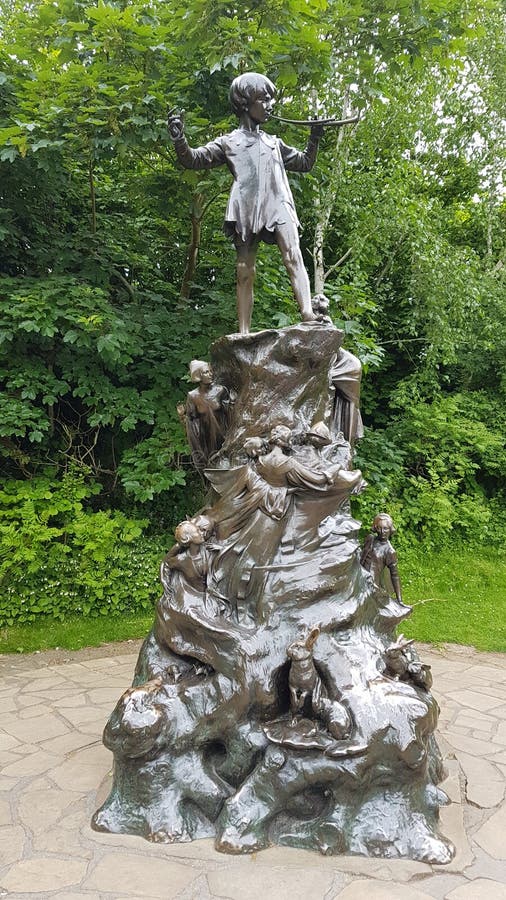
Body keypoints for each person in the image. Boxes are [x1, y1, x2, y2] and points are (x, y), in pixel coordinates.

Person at [168, 72, 324, 334]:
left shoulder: (274, 143)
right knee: (244, 269)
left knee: (293, 253)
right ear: (244, 103)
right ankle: (243, 333)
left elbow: (305, 163)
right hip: (247, 206)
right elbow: (194, 159)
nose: (270, 105)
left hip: (279, 202)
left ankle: (307, 311)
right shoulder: (229, 142)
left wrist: (315, 138)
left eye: (270, 99)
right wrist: (179, 140)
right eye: (264, 99)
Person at [360, 513, 403, 603]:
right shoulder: (370, 539)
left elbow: (395, 576)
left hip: (371, 585)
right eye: (379, 528)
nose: (382, 532)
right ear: (375, 528)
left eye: (386, 528)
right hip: (359, 575)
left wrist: (399, 600)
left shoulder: (390, 551)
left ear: (390, 529)